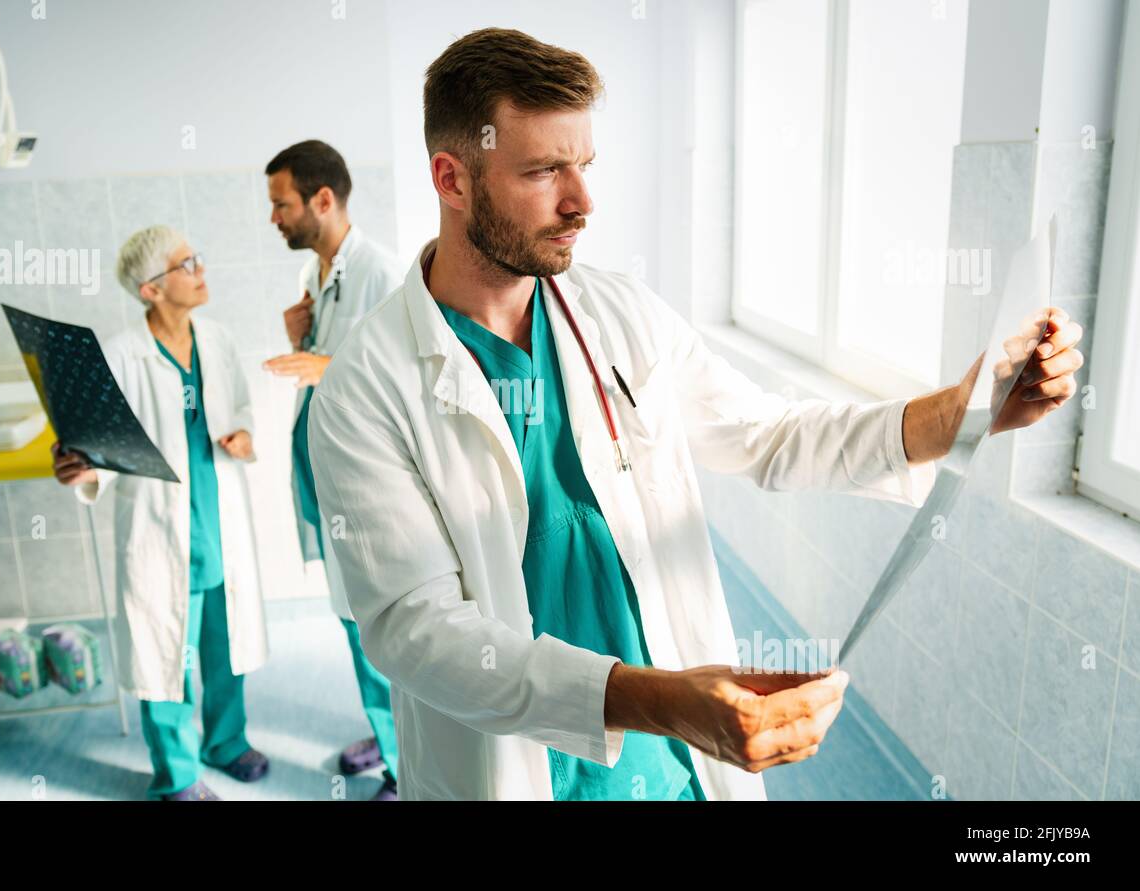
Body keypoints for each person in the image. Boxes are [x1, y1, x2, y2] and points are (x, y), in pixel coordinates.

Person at [306, 28, 1085, 801]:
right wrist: (663, 701)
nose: (582, 203)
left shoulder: (618, 314)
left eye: (584, 166)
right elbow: (418, 630)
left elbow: (768, 433)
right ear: (452, 178)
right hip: (515, 772)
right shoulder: (365, 389)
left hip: (677, 766)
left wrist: (964, 410)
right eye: (544, 171)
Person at [53, 225, 271, 801]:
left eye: (197, 258)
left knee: (225, 645)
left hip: (218, 523)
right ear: (150, 288)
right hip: (160, 531)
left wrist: (245, 435)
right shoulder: (121, 355)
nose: (200, 271)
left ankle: (226, 742)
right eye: (185, 264)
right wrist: (83, 468)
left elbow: (241, 407)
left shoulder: (217, 339)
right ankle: (176, 775)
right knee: (164, 651)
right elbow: (102, 446)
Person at [260, 140, 406, 799]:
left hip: (365, 487)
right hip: (323, 477)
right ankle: (387, 732)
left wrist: (324, 363)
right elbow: (332, 362)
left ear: (322, 199)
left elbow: (406, 379)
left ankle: (406, 767)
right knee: (353, 621)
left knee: (382, 622)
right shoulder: (316, 273)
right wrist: (303, 341)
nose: (274, 218)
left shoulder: (383, 272)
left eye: (281, 204)